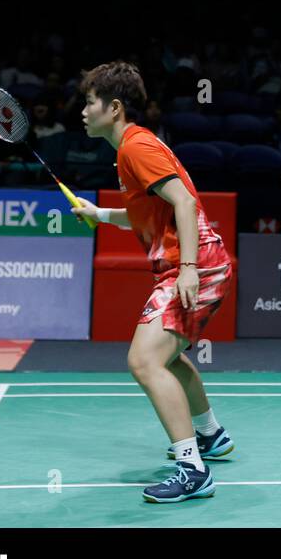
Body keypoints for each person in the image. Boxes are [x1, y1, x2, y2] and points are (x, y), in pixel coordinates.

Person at [70, 61, 234, 504]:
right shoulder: (130, 151)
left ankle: (191, 471)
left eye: (89, 102)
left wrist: (188, 269)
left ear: (115, 107)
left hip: (197, 265)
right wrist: (99, 215)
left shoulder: (135, 148)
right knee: (170, 357)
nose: (83, 111)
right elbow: (147, 213)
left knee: (144, 361)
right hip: (198, 263)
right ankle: (210, 435)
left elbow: (182, 201)